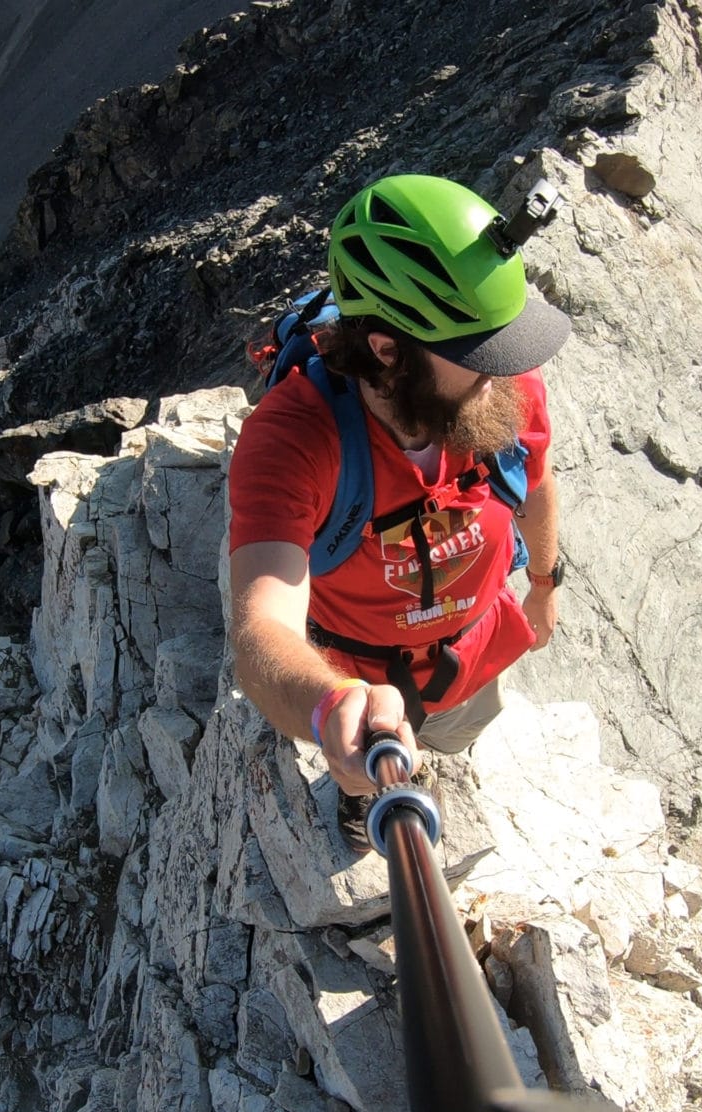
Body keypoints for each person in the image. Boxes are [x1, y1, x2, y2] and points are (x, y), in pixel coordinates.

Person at [227, 173, 572, 851]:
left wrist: (542, 585)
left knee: (460, 724)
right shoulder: (295, 442)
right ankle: (371, 796)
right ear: (387, 348)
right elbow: (260, 632)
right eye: (477, 354)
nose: (500, 375)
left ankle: (433, 754)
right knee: (377, 761)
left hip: (476, 643)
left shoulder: (497, 389)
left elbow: (534, 482)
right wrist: (332, 707)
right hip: (364, 671)